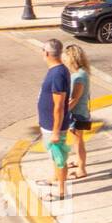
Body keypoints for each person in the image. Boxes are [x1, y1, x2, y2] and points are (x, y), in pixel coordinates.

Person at [36, 39, 74, 202]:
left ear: (46, 53)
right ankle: (55, 179)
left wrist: (56, 131)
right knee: (54, 157)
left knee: (59, 159)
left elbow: (59, 105)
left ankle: (61, 191)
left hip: (54, 126)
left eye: (42, 49)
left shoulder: (58, 73)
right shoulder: (56, 70)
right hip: (49, 124)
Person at [63, 43, 96, 179]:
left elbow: (74, 99)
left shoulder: (78, 77)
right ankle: (78, 161)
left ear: (71, 58)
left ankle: (82, 169)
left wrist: (62, 112)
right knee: (77, 140)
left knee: (78, 141)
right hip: (80, 112)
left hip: (77, 114)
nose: (64, 61)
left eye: (65, 58)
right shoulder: (81, 73)